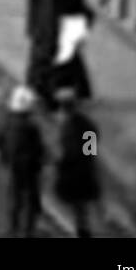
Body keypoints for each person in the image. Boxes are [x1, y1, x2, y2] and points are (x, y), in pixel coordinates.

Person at [24, 0, 95, 109]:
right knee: (60, 66)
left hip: (55, 33)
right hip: (47, 31)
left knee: (54, 68)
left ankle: (51, 100)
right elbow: (35, 4)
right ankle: (58, 96)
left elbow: (67, 6)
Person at [0, 85, 45, 237]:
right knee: (31, 200)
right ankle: (29, 230)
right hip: (30, 169)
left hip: (14, 167)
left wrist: (4, 157)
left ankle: (13, 229)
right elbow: (39, 148)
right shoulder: (31, 127)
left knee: (15, 199)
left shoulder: (7, 123)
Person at [53, 89, 100, 237]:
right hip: (85, 171)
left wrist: (60, 163)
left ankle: (82, 231)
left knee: (77, 206)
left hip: (73, 173)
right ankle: (83, 228)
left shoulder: (67, 126)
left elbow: (68, 152)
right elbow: (91, 150)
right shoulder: (86, 124)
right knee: (82, 208)